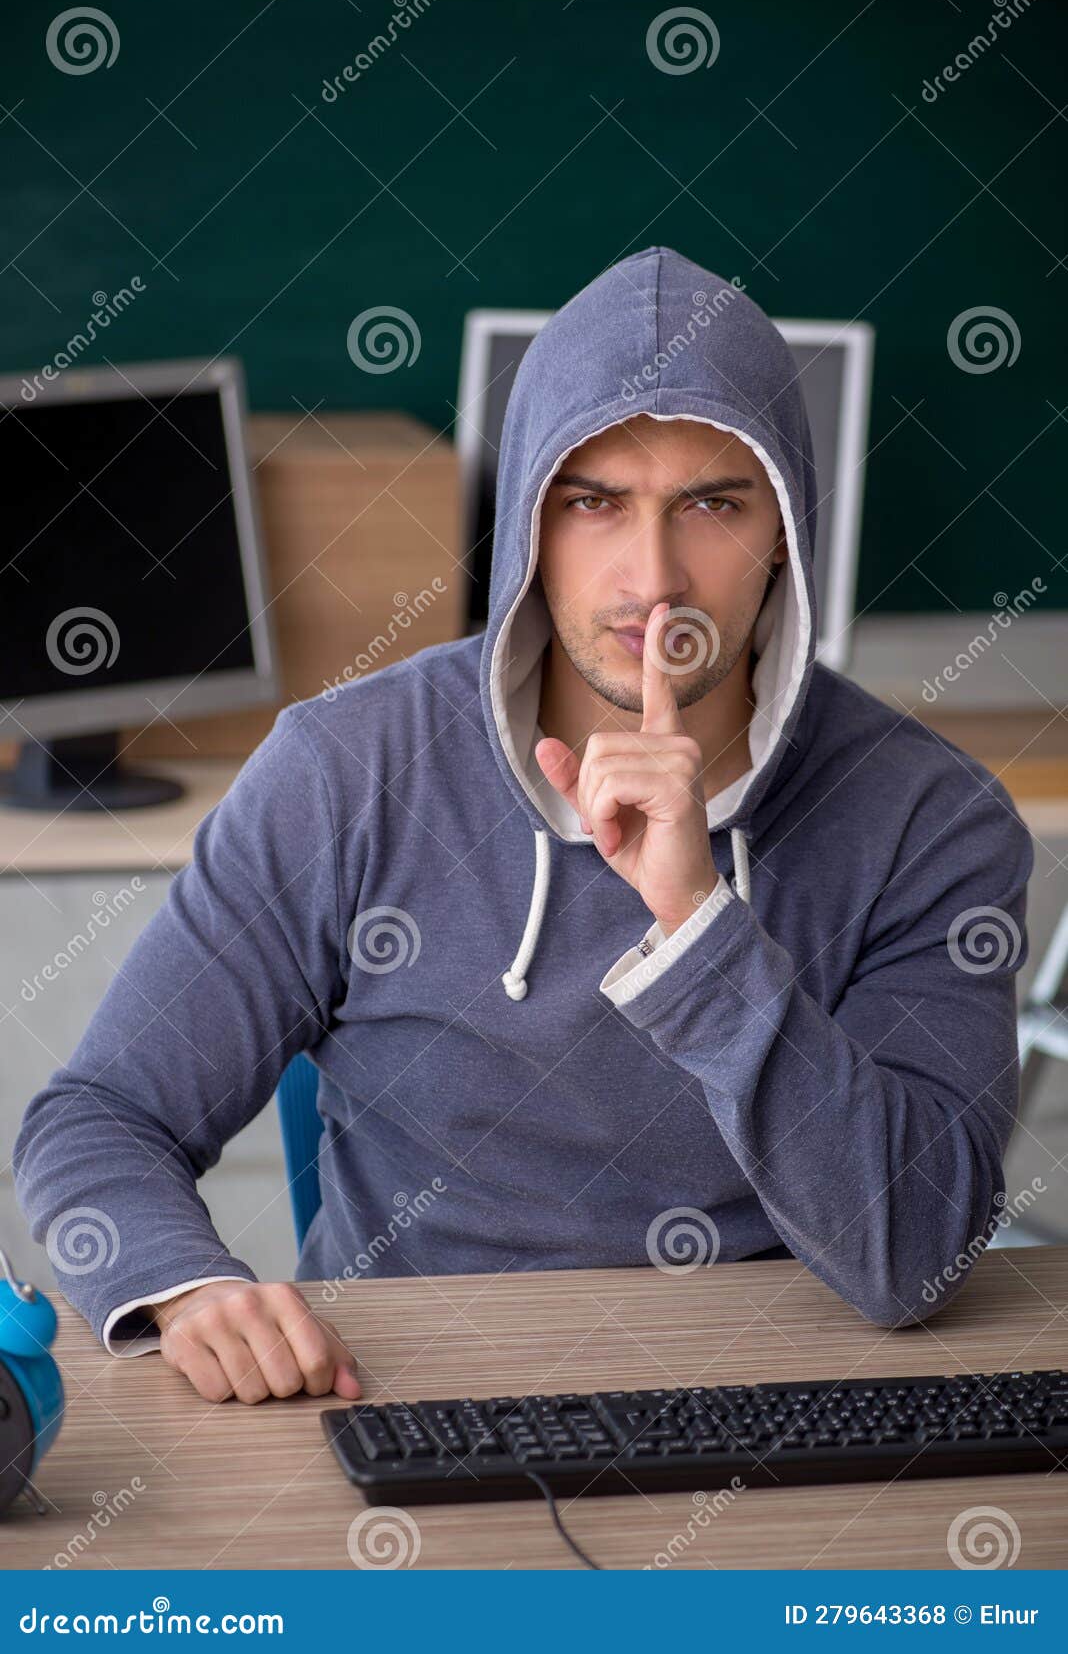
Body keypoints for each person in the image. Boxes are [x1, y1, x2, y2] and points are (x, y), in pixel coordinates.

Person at [15, 245, 1032, 1406]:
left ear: (786, 526)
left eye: (711, 503)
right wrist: (185, 1285)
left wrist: (697, 925)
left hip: (783, 1402)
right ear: (527, 528)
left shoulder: (933, 821)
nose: (655, 579)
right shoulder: (346, 771)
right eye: (594, 502)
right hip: (411, 1404)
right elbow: (98, 1118)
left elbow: (916, 1256)